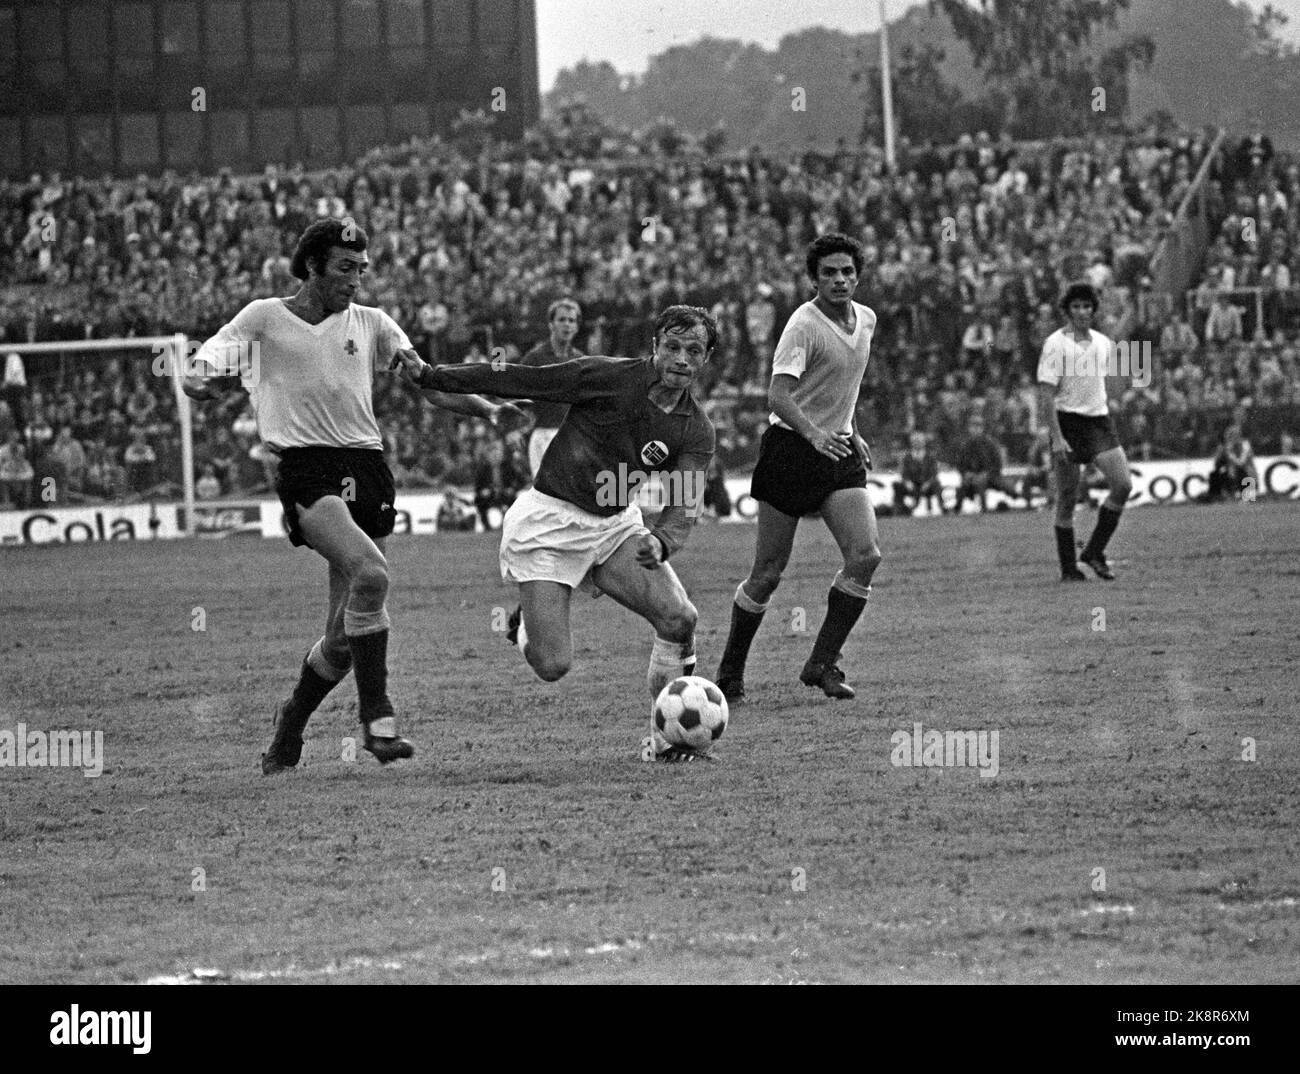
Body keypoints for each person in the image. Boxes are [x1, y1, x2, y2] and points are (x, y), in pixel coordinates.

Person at [184, 218, 512, 774]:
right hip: (305, 467)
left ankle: (289, 725)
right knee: (372, 575)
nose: (355, 279)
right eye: (344, 267)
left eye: (361, 269)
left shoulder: (374, 323)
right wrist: (200, 382)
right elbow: (202, 365)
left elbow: (425, 379)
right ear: (312, 266)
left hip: (367, 466)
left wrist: (485, 406)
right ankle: (378, 720)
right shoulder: (265, 317)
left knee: (340, 639)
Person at [393, 305, 717, 762]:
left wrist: (663, 540)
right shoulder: (603, 376)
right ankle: (525, 623)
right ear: (654, 346)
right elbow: (520, 378)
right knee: (552, 666)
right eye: (673, 347)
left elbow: (685, 499)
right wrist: (433, 373)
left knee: (680, 618)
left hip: (614, 525)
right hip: (549, 524)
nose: (682, 358)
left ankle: (668, 741)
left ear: (705, 360)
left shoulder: (696, 428)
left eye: (694, 350)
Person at [713, 233, 881, 705]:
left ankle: (822, 662)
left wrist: (851, 428)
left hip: (838, 448)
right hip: (792, 449)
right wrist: (813, 433)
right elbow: (779, 396)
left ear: (857, 275)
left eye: (847, 271)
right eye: (829, 272)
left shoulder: (865, 320)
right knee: (768, 572)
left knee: (865, 556)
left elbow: (843, 385)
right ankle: (730, 670)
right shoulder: (802, 325)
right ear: (814, 279)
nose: (840, 279)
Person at [1038, 282, 1133, 581]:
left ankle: (1093, 552)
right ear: (1067, 311)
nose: (1082, 312)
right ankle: (1069, 570)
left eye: (1087, 306)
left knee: (1123, 485)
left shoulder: (1104, 343)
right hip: (1067, 423)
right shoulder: (1055, 344)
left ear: (1093, 309)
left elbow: (1102, 382)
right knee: (1067, 498)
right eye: (1076, 307)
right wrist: (1056, 437)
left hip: (1098, 422)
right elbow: (1046, 395)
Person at [519, 299, 583, 477]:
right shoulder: (535, 358)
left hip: (573, 438)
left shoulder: (580, 360)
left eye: (571, 321)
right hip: (544, 435)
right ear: (551, 324)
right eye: (562, 320)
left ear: (577, 327)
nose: (567, 325)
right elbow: (515, 391)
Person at [953, 415, 1018, 513]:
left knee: (981, 482)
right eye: (973, 427)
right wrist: (966, 473)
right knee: (963, 485)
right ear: (969, 429)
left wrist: (986, 474)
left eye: (978, 427)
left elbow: (998, 464)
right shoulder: (965, 445)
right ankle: (957, 509)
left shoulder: (990, 444)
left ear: (982, 428)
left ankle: (984, 509)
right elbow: (960, 465)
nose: (975, 429)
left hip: (990, 477)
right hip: (971, 477)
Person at [893, 432, 944, 515]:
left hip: (927, 484)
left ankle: (942, 509)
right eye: (915, 441)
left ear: (924, 443)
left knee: (937, 484)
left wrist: (928, 483)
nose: (917, 444)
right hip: (912, 485)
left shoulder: (930, 456)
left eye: (919, 441)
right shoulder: (907, 457)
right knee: (897, 485)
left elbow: (934, 473)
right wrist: (907, 482)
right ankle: (898, 511)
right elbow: (904, 473)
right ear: (911, 443)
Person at [1204, 424, 1258, 502]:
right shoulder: (1226, 447)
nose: (1231, 438)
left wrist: (1232, 455)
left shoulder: (1245, 445)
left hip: (1247, 473)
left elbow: (1242, 460)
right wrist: (1220, 452)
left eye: (1233, 435)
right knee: (1219, 473)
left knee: (1244, 470)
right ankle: (1225, 496)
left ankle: (1248, 496)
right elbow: (1217, 463)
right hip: (1234, 473)